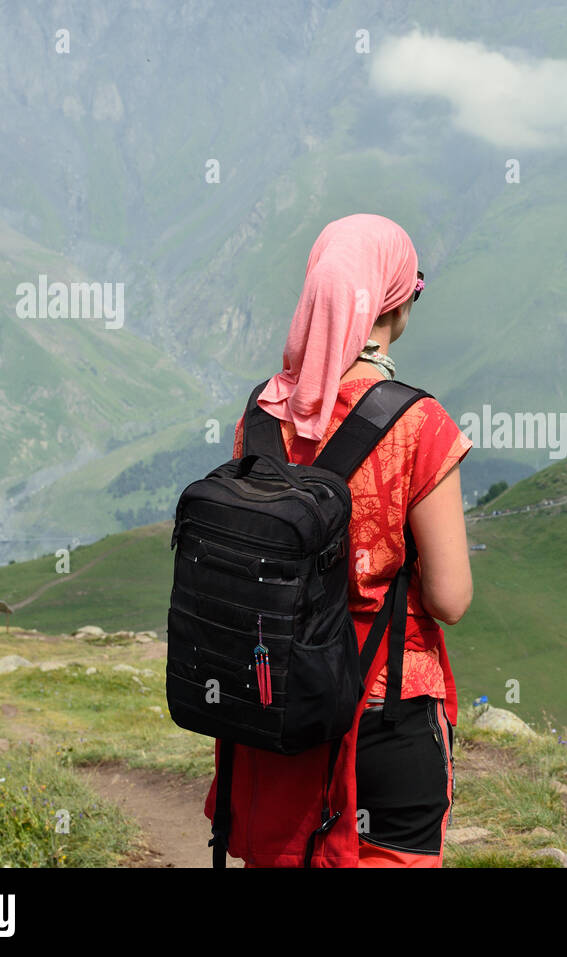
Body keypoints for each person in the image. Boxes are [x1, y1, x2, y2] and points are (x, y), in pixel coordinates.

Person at [203, 213, 473, 867]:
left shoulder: (260, 419)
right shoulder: (419, 423)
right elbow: (449, 597)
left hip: (275, 712)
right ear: (393, 301)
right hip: (384, 709)